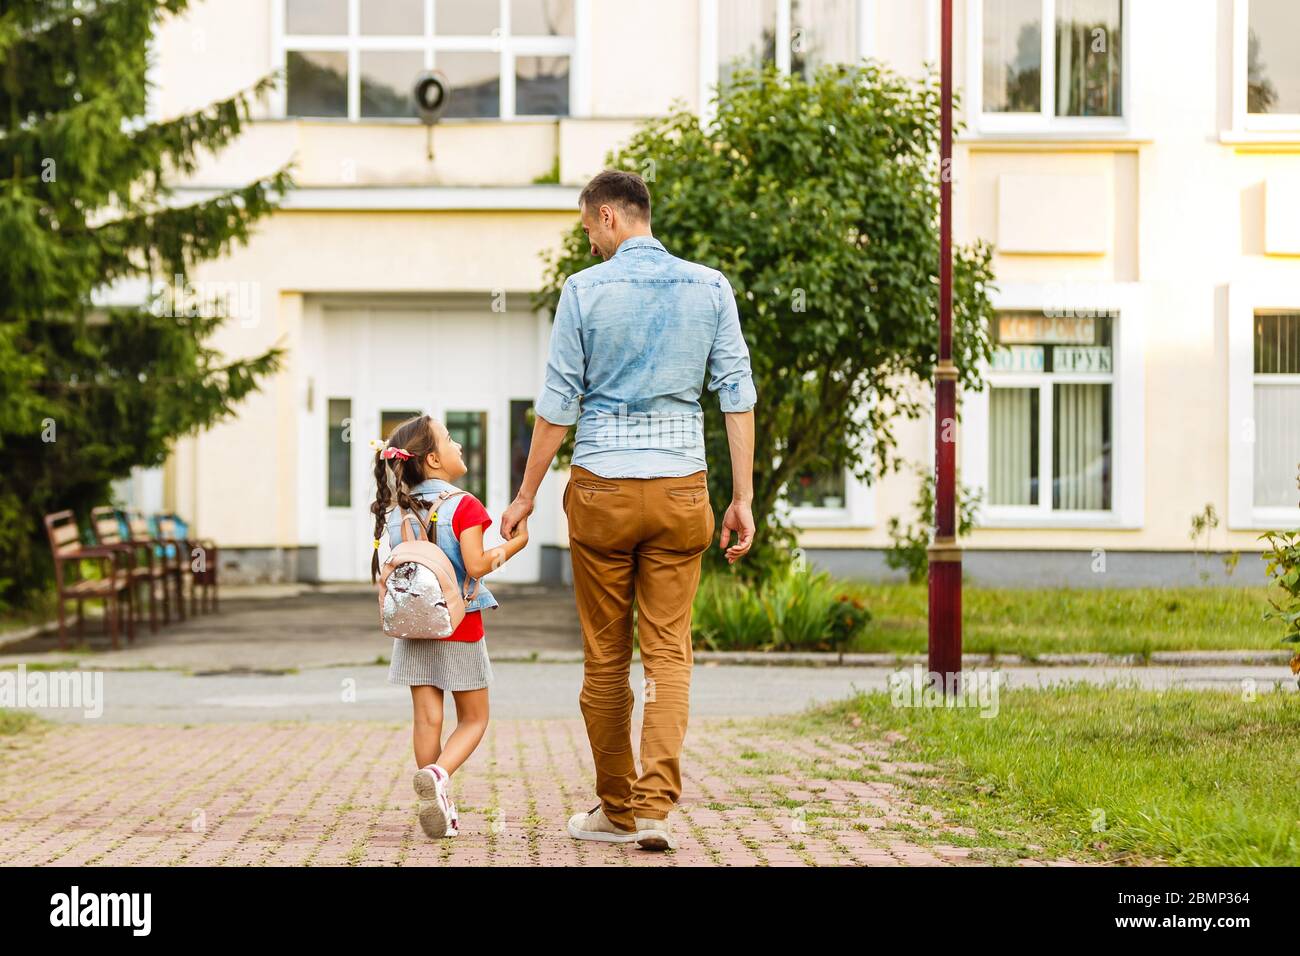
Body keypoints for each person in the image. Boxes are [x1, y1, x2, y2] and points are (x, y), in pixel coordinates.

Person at [500, 169, 757, 851]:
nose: (588, 244)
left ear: (610, 216)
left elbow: (558, 405)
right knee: (669, 652)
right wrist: (743, 498)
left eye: (588, 228)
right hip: (681, 491)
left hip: (604, 491)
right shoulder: (711, 287)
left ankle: (615, 807)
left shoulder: (585, 292)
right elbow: (737, 394)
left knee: (606, 658)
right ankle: (653, 807)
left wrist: (525, 495)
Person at [371, 414, 528, 838]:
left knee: (427, 718)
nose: (459, 444)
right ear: (435, 459)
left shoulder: (396, 511)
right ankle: (440, 775)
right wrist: (516, 544)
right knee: (475, 719)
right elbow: (478, 565)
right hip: (460, 624)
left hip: (414, 624)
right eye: (450, 439)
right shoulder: (465, 504)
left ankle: (438, 797)